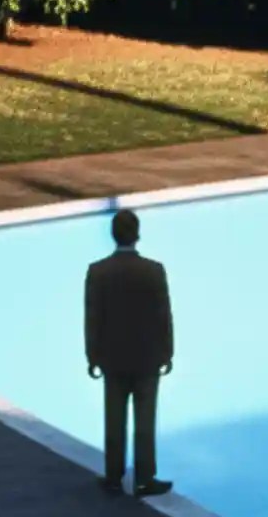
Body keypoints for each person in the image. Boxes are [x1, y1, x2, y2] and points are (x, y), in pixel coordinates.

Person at [85, 209, 175, 498]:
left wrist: (93, 356)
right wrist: (167, 352)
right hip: (147, 358)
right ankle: (144, 479)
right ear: (137, 234)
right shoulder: (154, 270)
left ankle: (113, 477)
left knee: (114, 419)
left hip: (112, 358)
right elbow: (164, 315)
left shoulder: (97, 271)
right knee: (144, 422)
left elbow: (92, 318)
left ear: (113, 235)